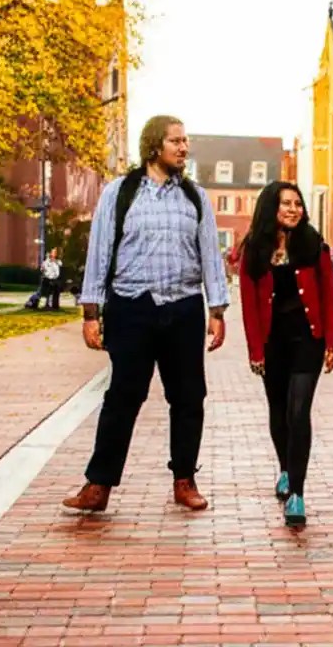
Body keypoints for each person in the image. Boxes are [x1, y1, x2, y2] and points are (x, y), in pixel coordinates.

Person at [61, 115, 229, 514]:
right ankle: (98, 485)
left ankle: (184, 480)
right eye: (176, 141)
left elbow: (210, 254)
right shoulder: (120, 193)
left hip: (184, 307)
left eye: (186, 141)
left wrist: (217, 309)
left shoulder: (195, 197)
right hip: (131, 306)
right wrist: (90, 312)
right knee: (123, 396)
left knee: (189, 397)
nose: (184, 148)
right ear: (155, 145)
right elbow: (100, 251)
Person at [238, 181, 333, 527]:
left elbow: (328, 295)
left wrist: (331, 343)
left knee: (299, 411)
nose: (294, 209)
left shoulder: (314, 245)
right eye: (286, 204)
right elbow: (249, 305)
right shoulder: (254, 249)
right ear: (271, 208)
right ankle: (284, 467)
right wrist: (255, 350)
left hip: (307, 341)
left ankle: (297, 492)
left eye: (298, 203)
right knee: (278, 411)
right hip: (271, 344)